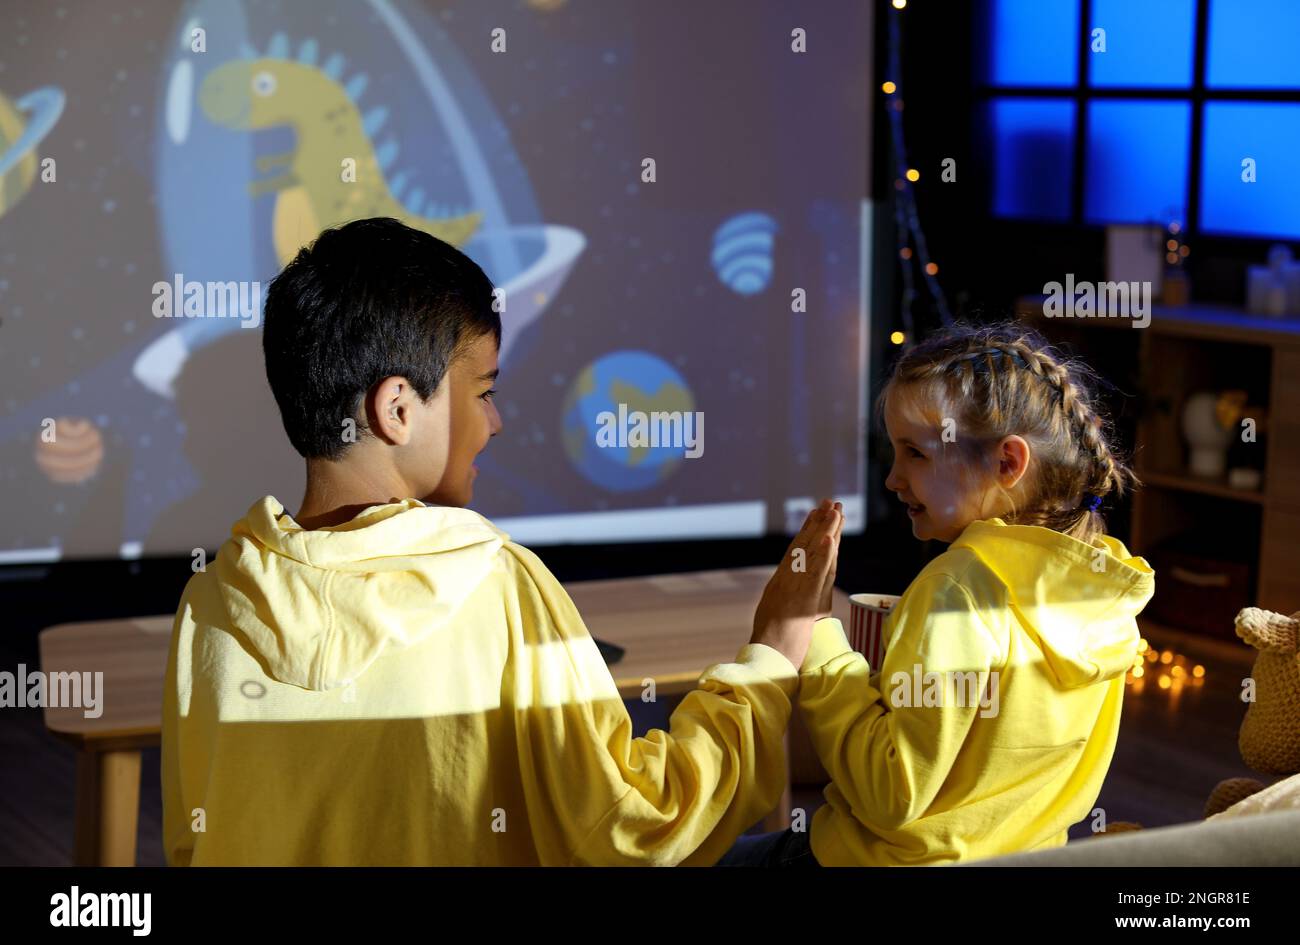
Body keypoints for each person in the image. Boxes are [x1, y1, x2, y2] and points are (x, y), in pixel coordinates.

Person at [161, 217, 845, 865]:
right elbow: (636, 829)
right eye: (483, 390)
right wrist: (773, 651)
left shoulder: (213, 600)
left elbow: (194, 842)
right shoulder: (494, 580)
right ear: (398, 408)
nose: (496, 421)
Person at [724, 322, 1154, 866]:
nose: (893, 479)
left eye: (916, 454)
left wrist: (819, 637)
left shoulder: (956, 589)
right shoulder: (1102, 595)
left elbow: (893, 793)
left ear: (1007, 463)